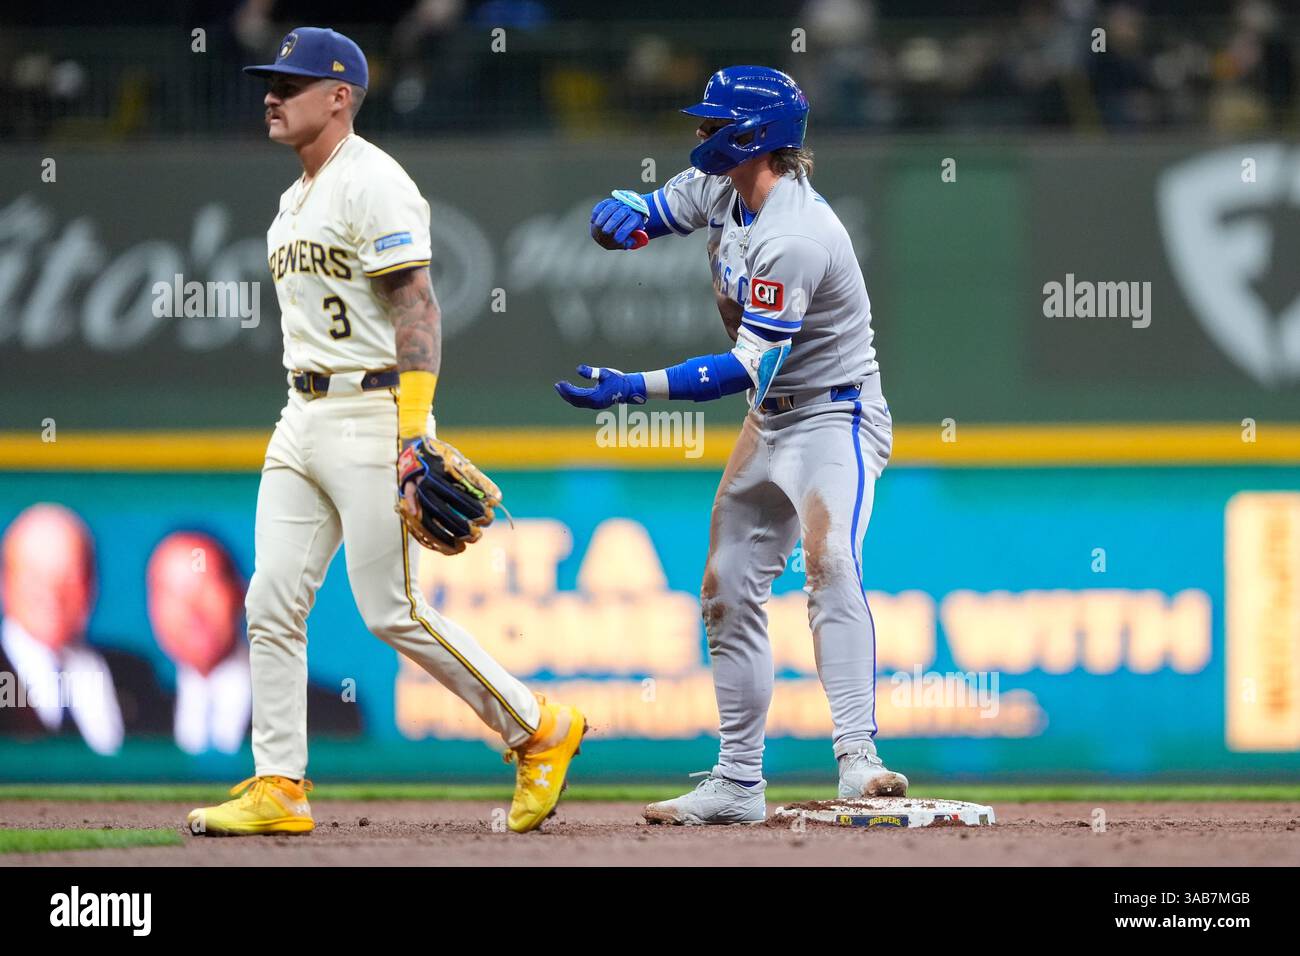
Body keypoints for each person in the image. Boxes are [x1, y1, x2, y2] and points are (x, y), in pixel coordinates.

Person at [187, 27, 585, 837]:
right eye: (270, 80)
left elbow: (418, 308)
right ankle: (280, 785)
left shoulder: (375, 183)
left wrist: (413, 436)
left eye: (291, 84)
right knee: (269, 601)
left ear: (340, 97)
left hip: (373, 411)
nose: (272, 94)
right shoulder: (292, 202)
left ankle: (538, 728)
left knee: (390, 609)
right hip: (300, 414)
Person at [557, 66, 906, 825]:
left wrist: (630, 387)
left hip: (833, 419)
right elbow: (646, 214)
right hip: (770, 418)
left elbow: (743, 366)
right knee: (725, 588)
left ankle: (859, 759)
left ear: (757, 138)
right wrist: (617, 217)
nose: (699, 136)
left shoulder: (797, 236)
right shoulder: (720, 189)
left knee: (831, 561)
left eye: (713, 126)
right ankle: (739, 782)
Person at [146, 530, 361, 755]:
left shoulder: (327, 712)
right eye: (171, 593)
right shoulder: (134, 717)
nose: (192, 612)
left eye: (206, 587)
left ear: (241, 592)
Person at [0, 503, 169, 753]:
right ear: (5, 582)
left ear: (92, 582)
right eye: (34, 577)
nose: (52, 594)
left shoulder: (134, 676)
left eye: (69, 577)